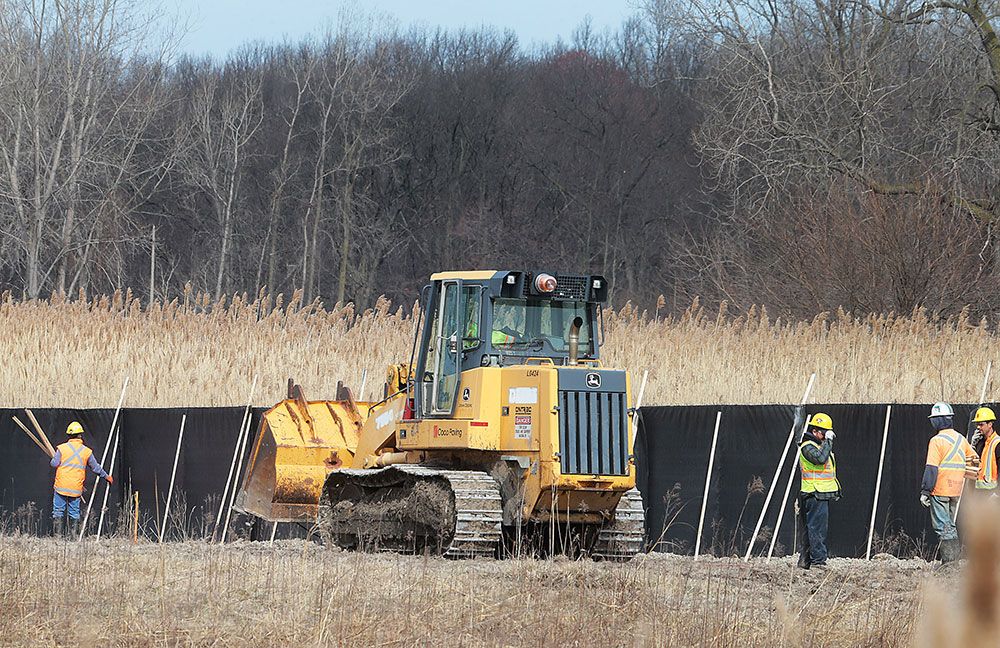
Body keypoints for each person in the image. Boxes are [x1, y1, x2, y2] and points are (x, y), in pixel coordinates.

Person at [920, 402, 978, 563]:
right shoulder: (960, 439)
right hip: (956, 490)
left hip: (940, 490)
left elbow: (931, 468)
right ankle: (951, 562)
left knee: (943, 527)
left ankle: (950, 564)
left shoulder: (936, 441)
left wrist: (925, 491)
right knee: (950, 526)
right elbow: (974, 460)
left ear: (936, 420)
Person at [51, 421, 113, 538]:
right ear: (80, 435)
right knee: (74, 513)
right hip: (76, 488)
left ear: (68, 435)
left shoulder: (61, 448)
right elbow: (96, 468)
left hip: (61, 486)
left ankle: (58, 538)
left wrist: (54, 458)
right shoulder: (86, 451)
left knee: (58, 511)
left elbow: (54, 464)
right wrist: (106, 476)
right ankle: (73, 538)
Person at [796, 411, 841, 571]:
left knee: (811, 528)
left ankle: (805, 561)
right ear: (815, 431)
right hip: (814, 493)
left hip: (819, 493)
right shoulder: (807, 447)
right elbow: (820, 459)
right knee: (817, 529)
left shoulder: (818, 446)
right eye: (824, 432)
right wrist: (829, 441)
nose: (825, 435)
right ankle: (818, 562)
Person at [971, 406, 1000, 492]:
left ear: (990, 424)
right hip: (979, 490)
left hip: (992, 491)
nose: (978, 427)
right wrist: (973, 445)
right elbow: (973, 463)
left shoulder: (997, 443)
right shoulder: (980, 443)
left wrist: (997, 493)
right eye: (977, 424)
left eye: (981, 424)